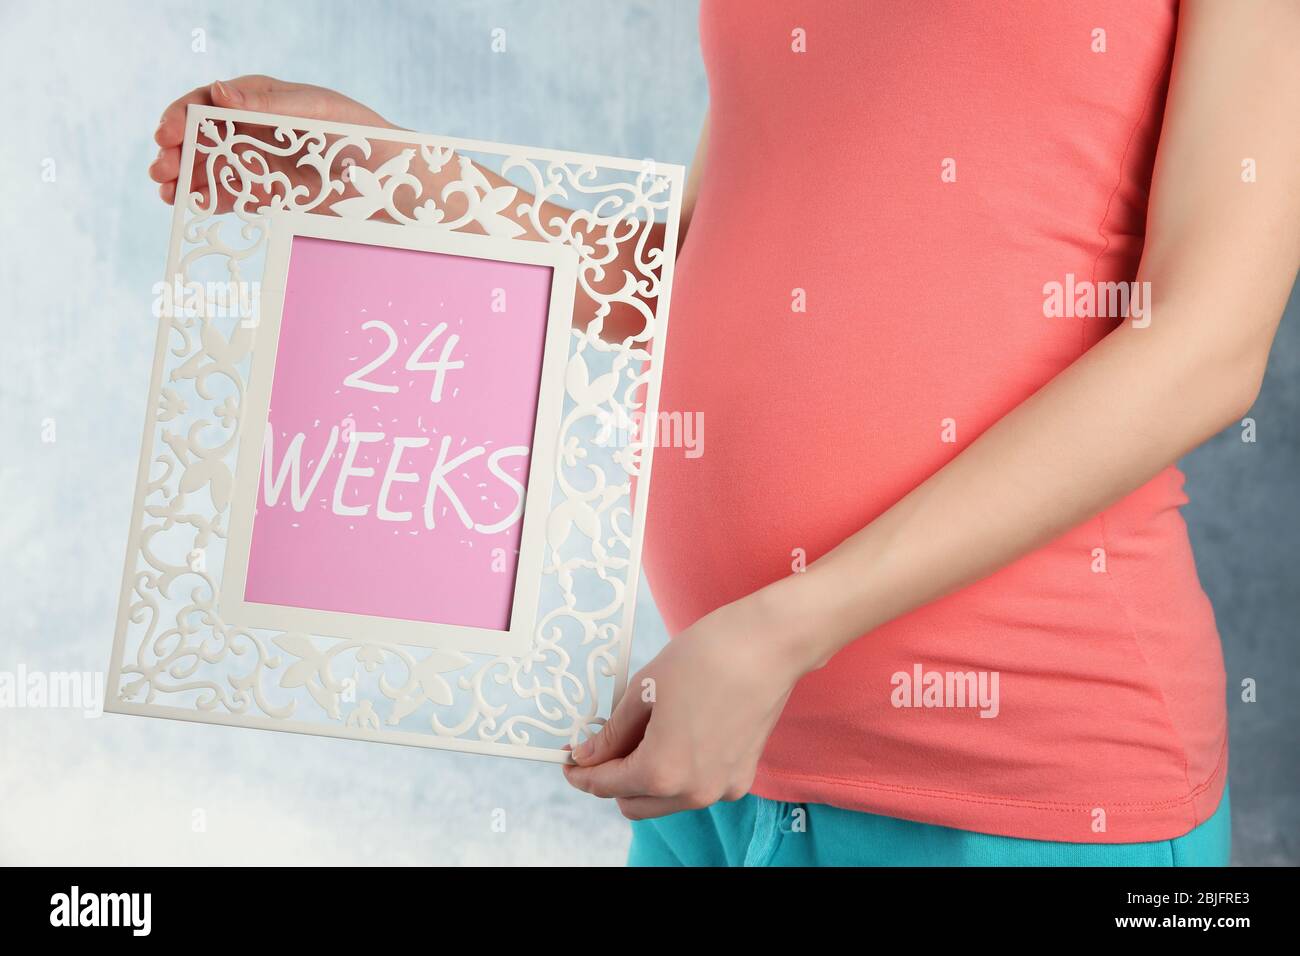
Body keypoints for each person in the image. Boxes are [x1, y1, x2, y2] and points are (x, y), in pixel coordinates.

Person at [149, 0, 1300, 866]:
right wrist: (398, 181)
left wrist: (788, 626)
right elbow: (684, 277)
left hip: (1018, 776)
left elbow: (1203, 344)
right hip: (719, 753)